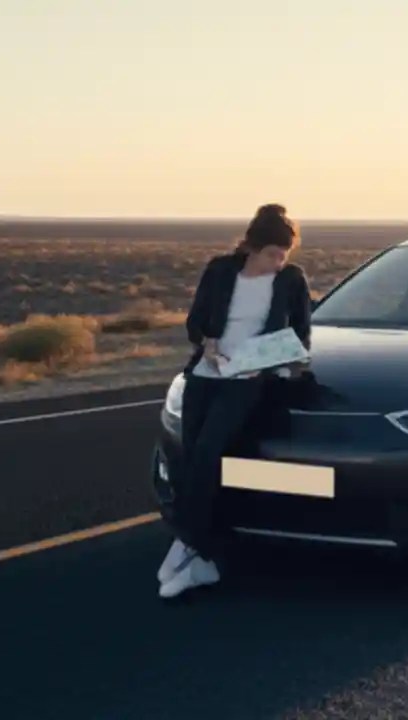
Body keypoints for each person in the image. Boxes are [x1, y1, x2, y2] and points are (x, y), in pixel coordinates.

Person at [156, 203, 313, 599]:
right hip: (206, 374)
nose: (279, 263)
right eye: (273, 254)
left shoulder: (291, 280)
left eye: (285, 255)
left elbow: (301, 334)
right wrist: (207, 342)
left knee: (208, 452)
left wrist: (276, 362)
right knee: (190, 458)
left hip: (247, 378)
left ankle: (196, 551)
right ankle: (195, 552)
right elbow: (195, 322)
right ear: (252, 248)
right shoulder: (220, 270)